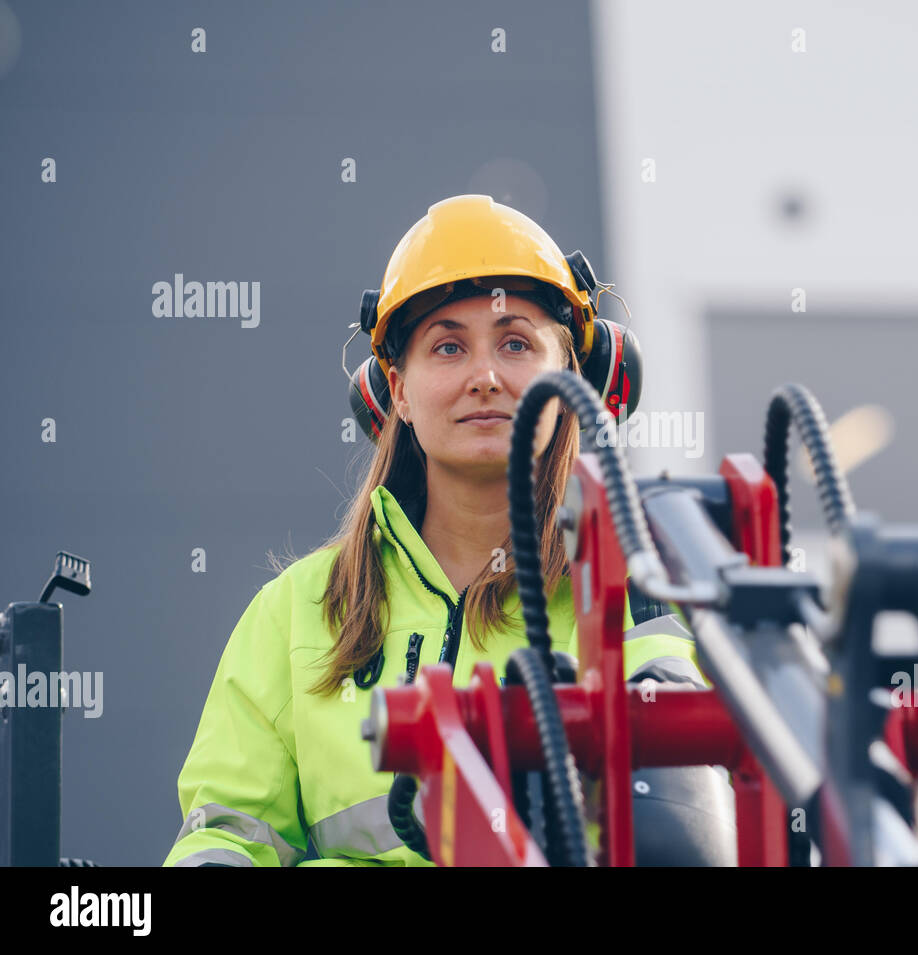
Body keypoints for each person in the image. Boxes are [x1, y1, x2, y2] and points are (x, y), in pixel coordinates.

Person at [163, 195, 710, 867]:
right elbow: (223, 844)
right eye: (448, 347)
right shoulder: (292, 615)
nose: (483, 377)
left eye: (515, 343)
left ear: (572, 374)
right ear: (396, 390)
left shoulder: (643, 594)